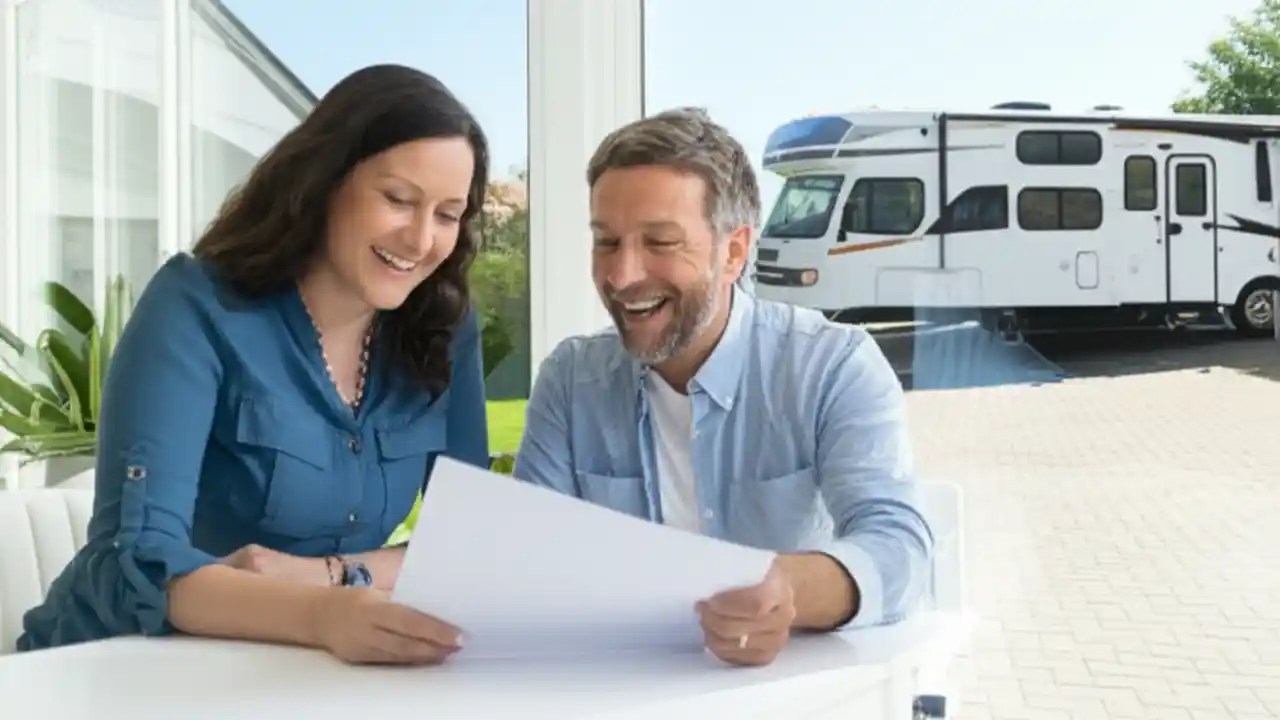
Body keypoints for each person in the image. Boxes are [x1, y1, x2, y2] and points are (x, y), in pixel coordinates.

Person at [18, 64, 490, 665]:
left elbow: (469, 546)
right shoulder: (195, 306)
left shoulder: (446, 328)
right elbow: (134, 557)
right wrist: (323, 615)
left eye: (448, 215)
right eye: (398, 200)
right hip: (113, 668)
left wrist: (325, 576)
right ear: (324, 183)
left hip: (311, 677)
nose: (421, 240)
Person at [513, 108, 934, 667]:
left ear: (733, 252)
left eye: (660, 242)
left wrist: (786, 590)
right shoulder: (570, 380)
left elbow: (899, 545)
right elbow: (523, 556)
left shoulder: (833, 366)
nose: (621, 275)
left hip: (787, 694)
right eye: (606, 242)